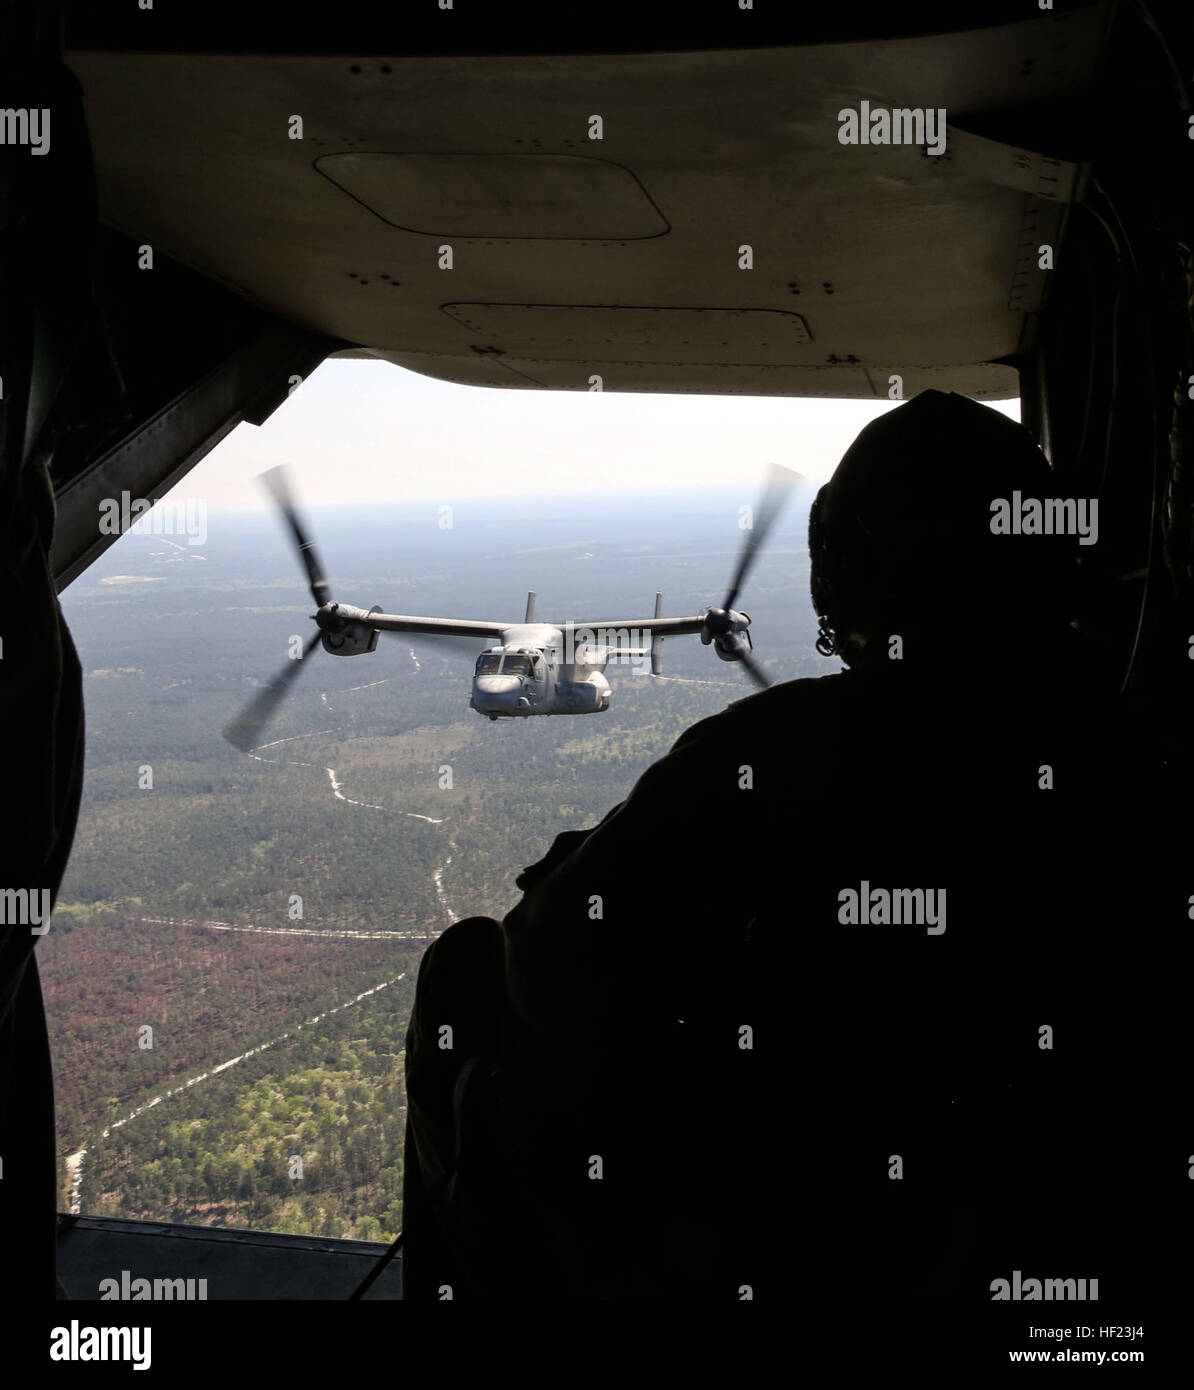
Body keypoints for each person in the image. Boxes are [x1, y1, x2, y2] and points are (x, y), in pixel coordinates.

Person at [403, 390, 1166, 1300]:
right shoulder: (1135, 751)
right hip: (1049, 1236)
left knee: (464, 969)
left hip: (795, 1247)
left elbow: (549, 968)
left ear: (843, 570)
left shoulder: (774, 754)